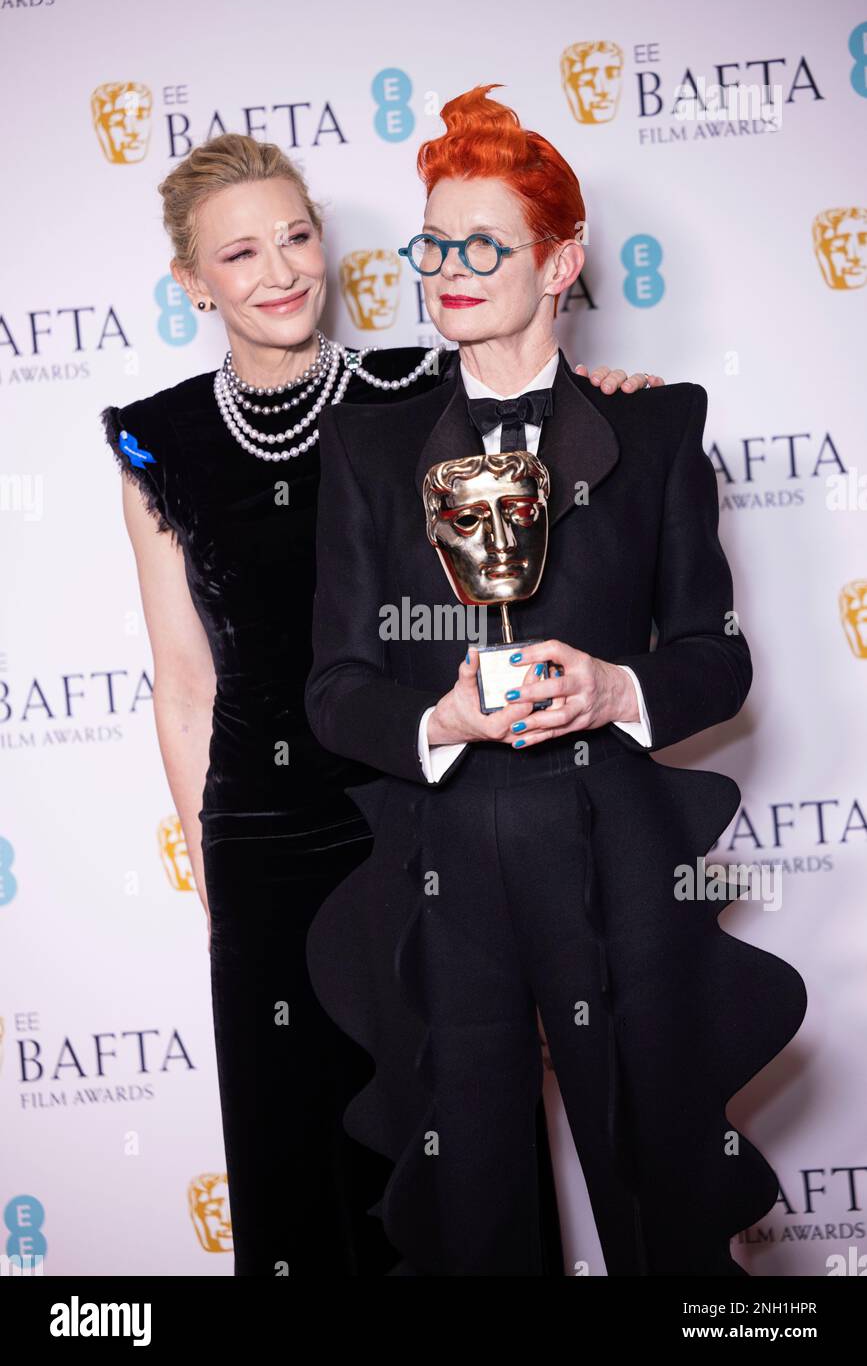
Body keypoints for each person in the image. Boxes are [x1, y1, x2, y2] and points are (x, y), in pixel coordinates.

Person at [99, 131, 658, 1277]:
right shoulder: (159, 440)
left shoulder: (420, 386)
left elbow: (539, 398)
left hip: (419, 806)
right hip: (264, 837)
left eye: (298, 237)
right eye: (241, 253)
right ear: (192, 284)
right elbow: (185, 680)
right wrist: (219, 890)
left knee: (457, 1152)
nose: (281, 270)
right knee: (293, 1147)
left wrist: (609, 398)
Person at [304, 85, 808, 1276]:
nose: (451, 270)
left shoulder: (657, 429)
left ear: (562, 258)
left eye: (485, 244)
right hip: (441, 873)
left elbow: (715, 657)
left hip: (618, 859)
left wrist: (615, 689)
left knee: (662, 1200)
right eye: (434, 244)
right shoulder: (371, 449)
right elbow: (334, 686)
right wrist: (435, 715)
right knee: (471, 1214)